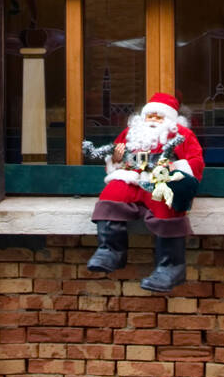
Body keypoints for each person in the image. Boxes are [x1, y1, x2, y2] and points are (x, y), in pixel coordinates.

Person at [83, 92, 204, 291]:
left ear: (170, 119)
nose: (154, 119)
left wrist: (178, 170)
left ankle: (171, 267)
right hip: (131, 176)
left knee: (166, 202)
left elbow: (195, 160)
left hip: (160, 178)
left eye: (159, 116)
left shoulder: (180, 134)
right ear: (143, 117)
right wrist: (115, 158)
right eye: (150, 115)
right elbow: (115, 157)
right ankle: (111, 251)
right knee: (113, 193)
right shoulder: (131, 132)